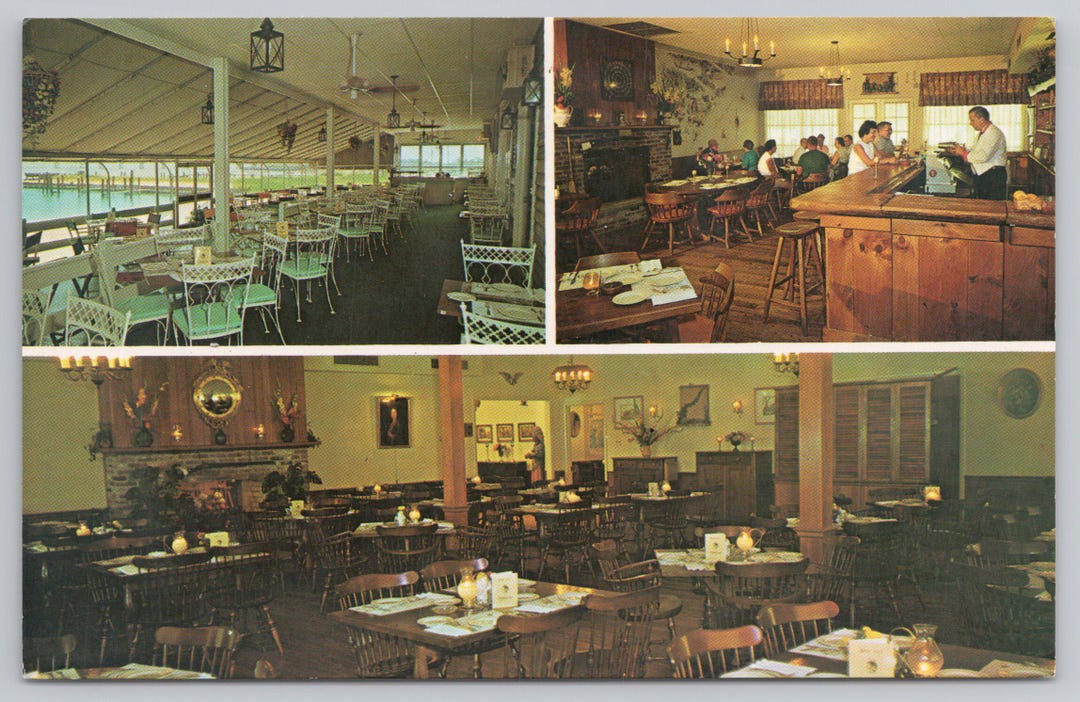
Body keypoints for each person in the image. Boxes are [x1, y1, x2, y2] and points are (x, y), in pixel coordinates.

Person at [951, 106, 1008, 200]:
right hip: (985, 175)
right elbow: (977, 151)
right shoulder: (983, 133)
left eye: (972, 120)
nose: (970, 123)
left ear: (981, 120)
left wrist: (963, 153)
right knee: (983, 205)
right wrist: (963, 150)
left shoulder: (994, 133)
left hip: (993, 176)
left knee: (992, 208)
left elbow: (982, 156)